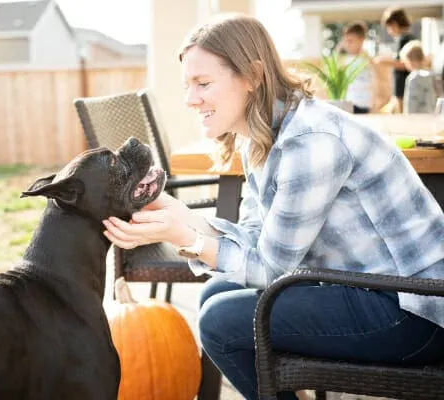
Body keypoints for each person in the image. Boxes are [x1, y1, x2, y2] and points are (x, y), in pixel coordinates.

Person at [102, 13, 444, 400]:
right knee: (215, 293)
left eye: (203, 83)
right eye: (188, 85)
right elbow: (257, 237)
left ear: (252, 76)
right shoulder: (259, 138)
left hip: (417, 311)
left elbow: (272, 268)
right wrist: (180, 218)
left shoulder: (311, 144)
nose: (190, 99)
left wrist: (188, 238)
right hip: (367, 289)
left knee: (220, 321)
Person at [375, 7, 417, 112]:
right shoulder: (402, 39)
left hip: (405, 90)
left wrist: (384, 61)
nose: (389, 31)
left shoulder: (406, 39)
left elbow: (407, 64)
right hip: (399, 91)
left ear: (394, 23)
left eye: (388, 27)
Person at [339, 21, 374, 114]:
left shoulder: (366, 59)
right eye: (345, 41)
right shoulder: (346, 59)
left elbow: (375, 81)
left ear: (361, 40)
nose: (347, 44)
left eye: (350, 41)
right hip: (349, 103)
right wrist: (339, 49)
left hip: (363, 104)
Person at [399, 39, 438, 114]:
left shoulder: (413, 78)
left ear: (410, 61)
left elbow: (410, 104)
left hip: (417, 120)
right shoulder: (433, 75)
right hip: (432, 116)